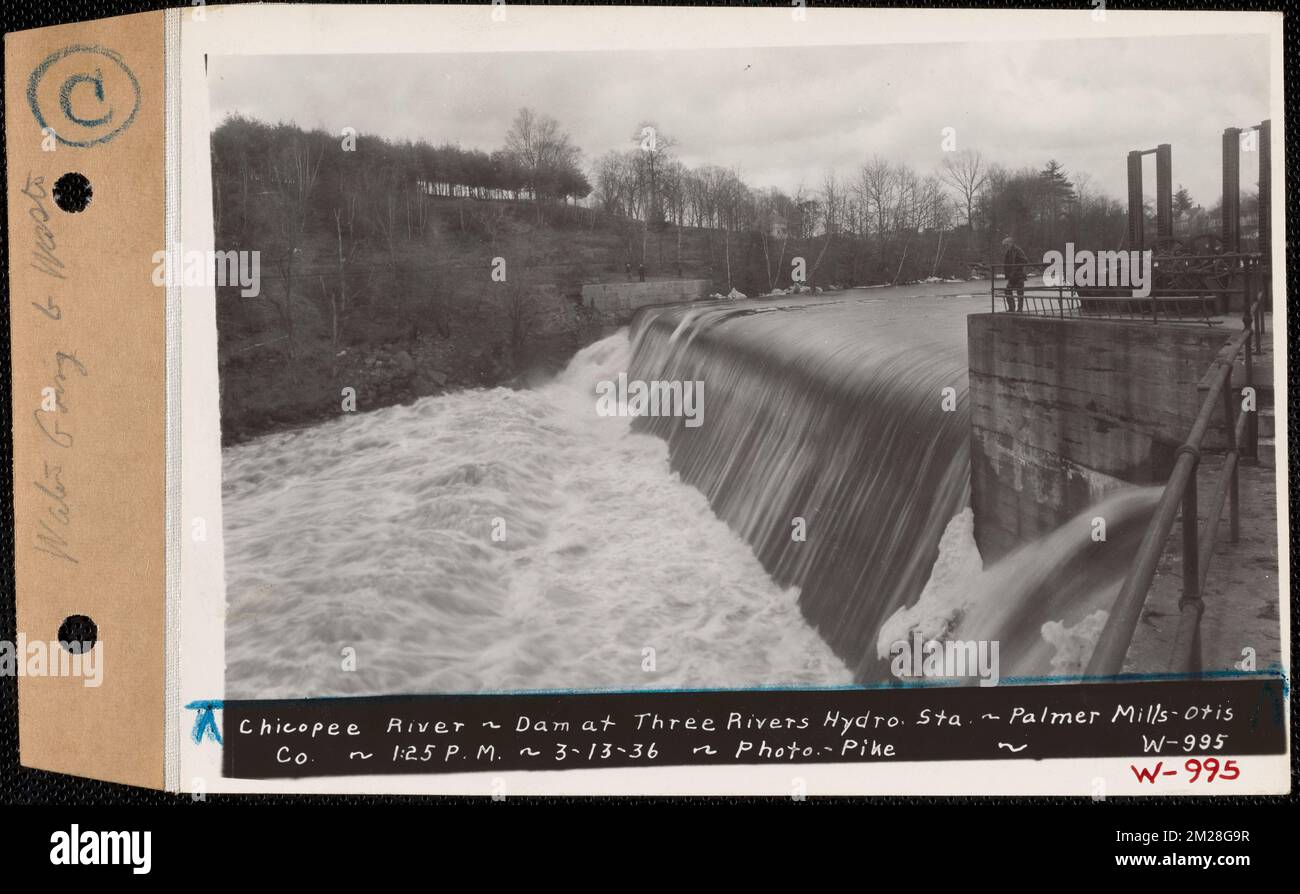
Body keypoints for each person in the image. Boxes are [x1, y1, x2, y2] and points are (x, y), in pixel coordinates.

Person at [1001, 236, 1028, 312]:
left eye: (1006, 245)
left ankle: (1019, 309)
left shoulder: (1017, 250)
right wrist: (1008, 274)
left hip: (1018, 275)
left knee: (1019, 292)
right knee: (1008, 290)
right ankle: (1012, 308)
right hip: (1012, 276)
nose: (1005, 247)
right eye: (1004, 245)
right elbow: (1007, 264)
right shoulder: (1009, 252)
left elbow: (1025, 260)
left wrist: (1017, 268)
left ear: (1010, 243)